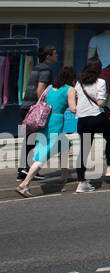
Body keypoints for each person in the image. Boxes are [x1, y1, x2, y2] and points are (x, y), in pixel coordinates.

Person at [16, 66, 76, 197]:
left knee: (65, 145)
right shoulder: (69, 89)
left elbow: (38, 103)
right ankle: (24, 184)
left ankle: (64, 175)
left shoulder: (49, 88)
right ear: (71, 78)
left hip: (45, 120)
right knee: (43, 153)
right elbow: (73, 109)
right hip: (56, 121)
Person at [68, 59, 110, 193]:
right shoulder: (100, 82)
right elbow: (100, 103)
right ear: (98, 69)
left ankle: (81, 182)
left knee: (84, 150)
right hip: (96, 116)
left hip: (82, 120)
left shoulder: (79, 83)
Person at [17, 45, 59, 181]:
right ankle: (26, 169)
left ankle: (23, 170)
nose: (57, 55)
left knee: (30, 139)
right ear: (48, 56)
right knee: (33, 139)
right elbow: (40, 89)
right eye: (54, 53)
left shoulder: (38, 67)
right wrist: (43, 107)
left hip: (27, 106)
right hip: (35, 108)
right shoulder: (46, 69)